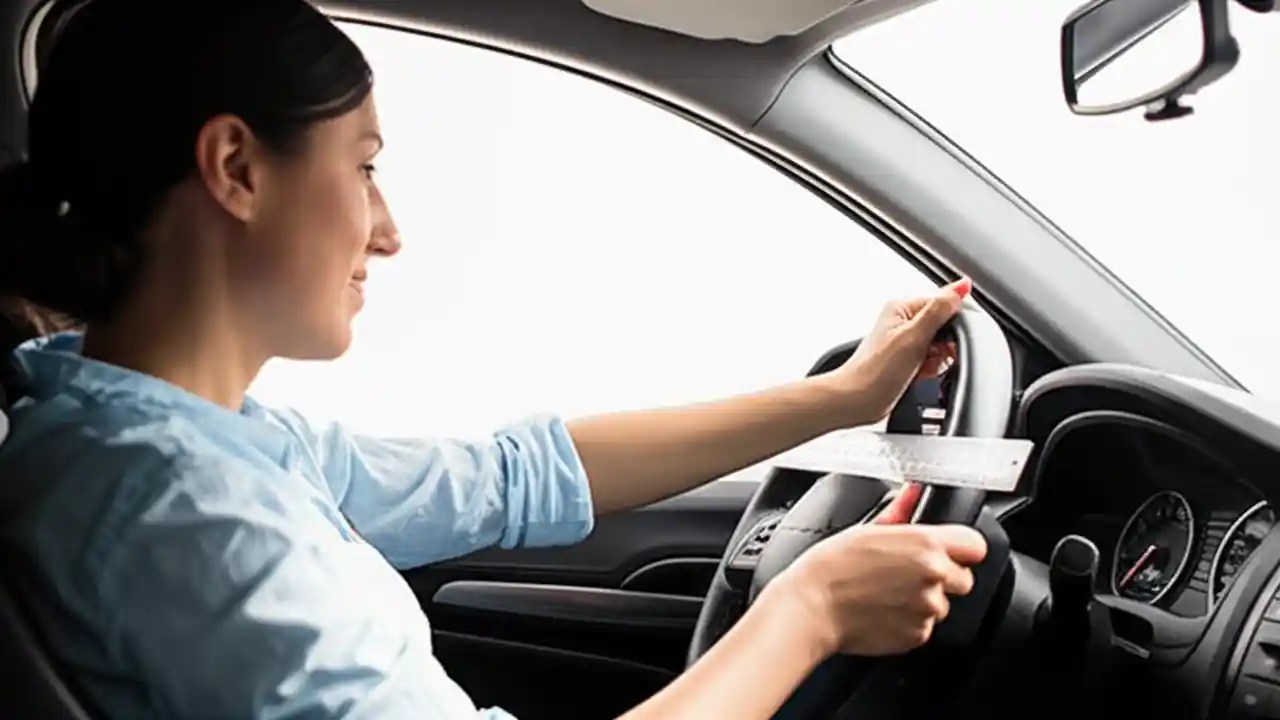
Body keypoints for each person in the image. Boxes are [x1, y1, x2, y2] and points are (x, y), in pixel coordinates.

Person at [0, 1, 987, 718]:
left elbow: (513, 476)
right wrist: (806, 613)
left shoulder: (183, 440)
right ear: (236, 170)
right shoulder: (180, 511)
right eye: (362, 167)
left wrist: (841, 397)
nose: (385, 232)